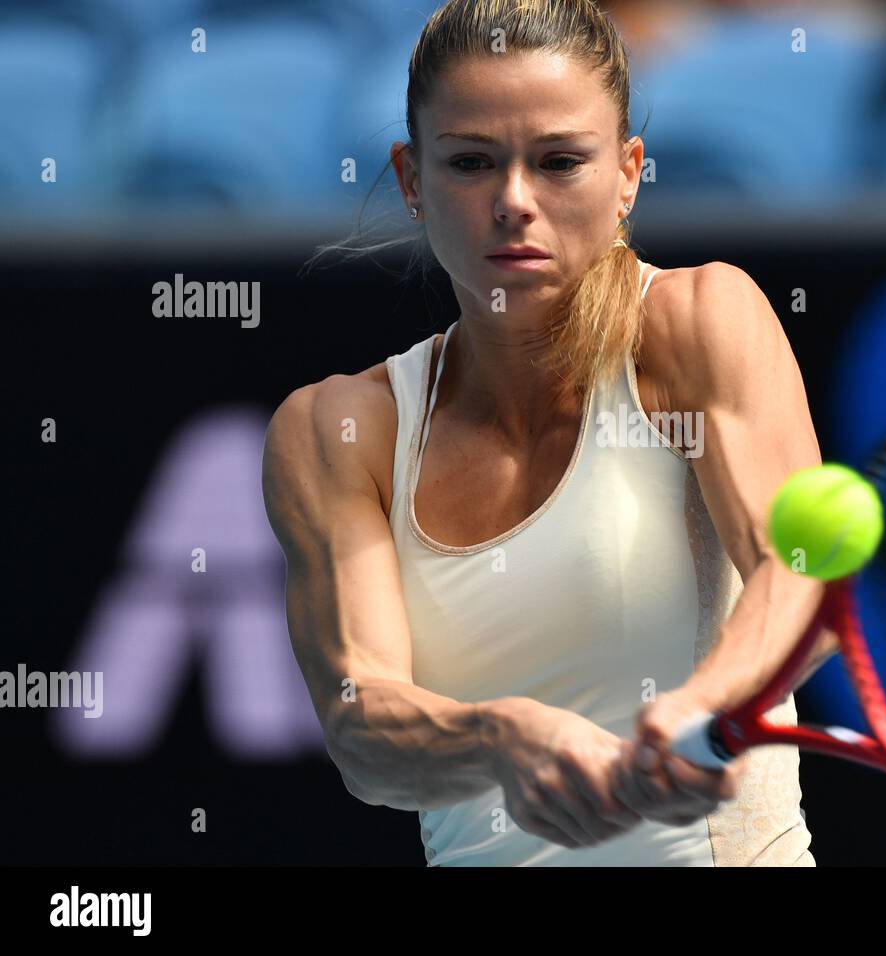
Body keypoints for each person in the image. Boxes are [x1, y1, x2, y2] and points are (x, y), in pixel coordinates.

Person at [263, 0, 832, 866]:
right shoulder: (334, 430)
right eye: (471, 162)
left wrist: (702, 705)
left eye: (561, 161)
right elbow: (360, 727)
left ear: (628, 174)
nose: (514, 202)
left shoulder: (701, 320)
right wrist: (498, 739)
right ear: (411, 179)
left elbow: (800, 575)